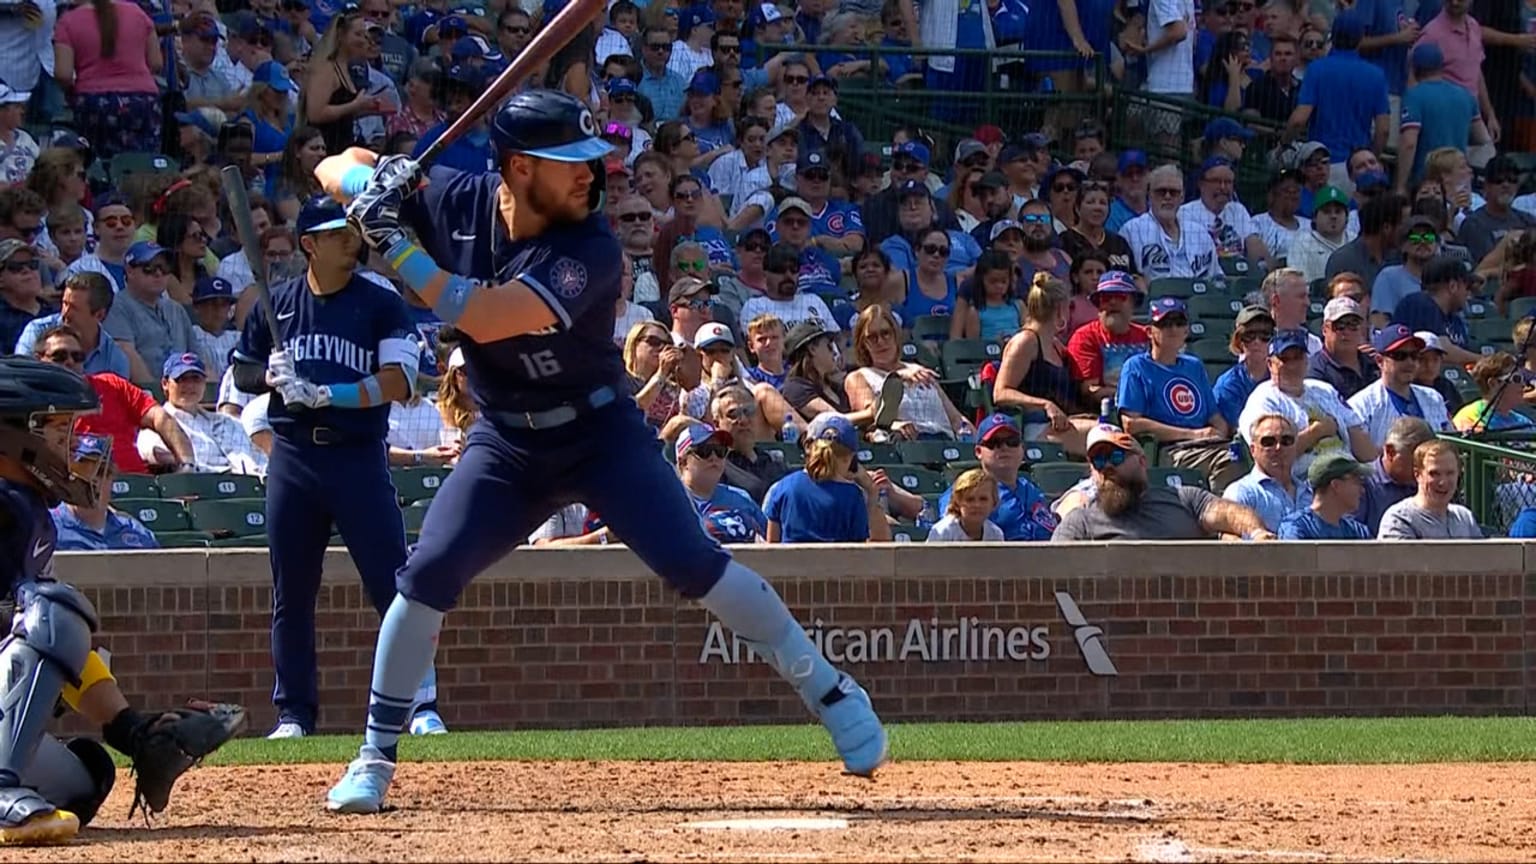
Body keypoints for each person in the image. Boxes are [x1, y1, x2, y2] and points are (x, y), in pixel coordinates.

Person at [315, 89, 889, 813]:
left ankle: (832, 692)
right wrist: (374, 183)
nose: (591, 175)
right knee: (425, 576)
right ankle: (373, 758)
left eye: (593, 160)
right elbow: (336, 164)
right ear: (520, 168)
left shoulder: (589, 246)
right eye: (570, 163)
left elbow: (482, 316)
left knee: (697, 567)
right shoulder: (457, 198)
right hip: (507, 442)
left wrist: (393, 240)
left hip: (598, 433)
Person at [0, 357, 244, 846]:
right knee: (55, 610)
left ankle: (123, 738)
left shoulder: (28, 512)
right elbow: (45, 626)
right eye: (55, 429)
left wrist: (132, 730)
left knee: (83, 781)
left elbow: (38, 639)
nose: (69, 445)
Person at [227, 196, 443, 741]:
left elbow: (401, 381)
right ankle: (295, 713)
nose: (352, 240)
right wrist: (270, 378)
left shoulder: (380, 301)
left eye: (352, 231)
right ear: (309, 245)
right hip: (293, 457)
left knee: (395, 585)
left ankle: (419, 705)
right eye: (336, 233)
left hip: (357, 454)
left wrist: (330, 394)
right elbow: (244, 372)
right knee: (292, 592)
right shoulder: (274, 306)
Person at [1051, 424, 1275, 541]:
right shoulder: (1082, 521)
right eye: (1098, 460)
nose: (1107, 465)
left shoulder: (1183, 498)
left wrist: (1256, 533)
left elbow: (1227, 512)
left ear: (1141, 461)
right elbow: (1051, 569)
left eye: (1116, 456)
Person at [763, 412, 893, 544]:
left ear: (808, 447)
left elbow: (770, 549)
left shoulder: (782, 488)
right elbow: (865, 552)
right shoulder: (852, 495)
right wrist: (871, 492)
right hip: (839, 564)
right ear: (851, 459)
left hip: (788, 564)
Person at [934, 413, 1058, 541]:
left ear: (1022, 448)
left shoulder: (1031, 490)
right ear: (978, 452)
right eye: (994, 443)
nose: (1004, 447)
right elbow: (951, 533)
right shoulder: (966, 492)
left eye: (1012, 441)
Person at [49, 433, 158, 550]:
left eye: (101, 472)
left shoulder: (137, 533)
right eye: (83, 472)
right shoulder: (48, 528)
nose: (93, 481)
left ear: (112, 478)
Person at [1347, 325, 1452, 446]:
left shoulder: (1433, 397)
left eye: (1414, 356)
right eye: (1400, 356)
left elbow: (1450, 445)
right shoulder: (1360, 406)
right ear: (1380, 361)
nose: (1410, 362)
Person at [674, 421, 768, 544]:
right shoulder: (669, 501)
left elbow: (770, 543)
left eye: (720, 451)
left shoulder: (740, 498)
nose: (714, 458)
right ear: (683, 462)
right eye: (705, 451)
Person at [1376, 439, 1482, 539]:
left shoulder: (1464, 517)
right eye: (1434, 474)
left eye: (1450, 473)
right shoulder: (1400, 519)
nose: (1443, 482)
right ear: (1417, 475)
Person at [1222, 413, 1310, 532]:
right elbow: (1228, 540)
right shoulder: (1241, 492)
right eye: (1268, 442)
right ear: (1253, 450)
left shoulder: (1311, 493)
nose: (1278, 447)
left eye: (1286, 440)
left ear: (1295, 446)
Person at [1356, 415, 1435, 534]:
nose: (1423, 469)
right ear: (1390, 452)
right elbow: (1352, 541)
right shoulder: (1359, 483)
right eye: (1415, 462)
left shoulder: (1429, 484)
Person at [1277, 452, 1374, 539]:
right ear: (1336, 485)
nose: (1362, 490)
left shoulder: (1358, 532)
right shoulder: (1297, 527)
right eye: (1356, 482)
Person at [926, 467, 1005, 542]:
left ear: (993, 502)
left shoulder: (995, 534)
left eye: (983, 499)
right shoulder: (943, 532)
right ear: (957, 502)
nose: (977, 505)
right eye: (970, 500)